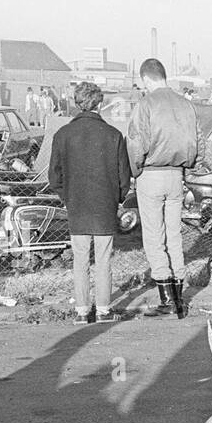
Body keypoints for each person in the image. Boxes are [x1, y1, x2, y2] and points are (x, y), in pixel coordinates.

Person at [127, 57, 205, 319]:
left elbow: (136, 142)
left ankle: (166, 298)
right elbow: (199, 141)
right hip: (177, 176)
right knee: (174, 235)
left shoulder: (145, 104)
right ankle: (180, 297)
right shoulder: (186, 104)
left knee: (154, 236)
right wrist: (189, 171)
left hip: (151, 174)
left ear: (145, 79)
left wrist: (135, 171)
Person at [49, 82, 132, 324]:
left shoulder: (62, 135)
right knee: (104, 260)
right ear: (99, 103)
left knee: (80, 260)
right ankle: (104, 310)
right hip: (104, 204)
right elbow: (124, 177)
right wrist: (116, 199)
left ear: (77, 103)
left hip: (77, 204)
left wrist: (67, 197)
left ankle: (82, 311)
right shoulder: (114, 135)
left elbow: (54, 177)